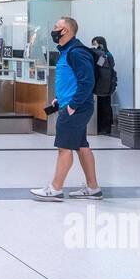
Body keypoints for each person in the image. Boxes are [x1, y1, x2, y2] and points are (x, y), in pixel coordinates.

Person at [31, 16, 99, 201]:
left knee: (64, 148)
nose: (54, 29)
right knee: (81, 146)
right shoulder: (66, 51)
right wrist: (59, 100)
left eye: (56, 27)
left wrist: (72, 105)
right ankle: (93, 188)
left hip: (76, 108)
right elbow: (71, 80)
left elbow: (87, 82)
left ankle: (55, 188)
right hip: (71, 105)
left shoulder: (76, 52)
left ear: (66, 31)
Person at [90, 35, 117, 135]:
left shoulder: (105, 55)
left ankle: (106, 127)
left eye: (95, 44)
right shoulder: (102, 54)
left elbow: (100, 66)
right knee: (101, 107)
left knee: (105, 107)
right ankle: (101, 127)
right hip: (101, 85)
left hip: (104, 86)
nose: (93, 46)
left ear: (100, 44)